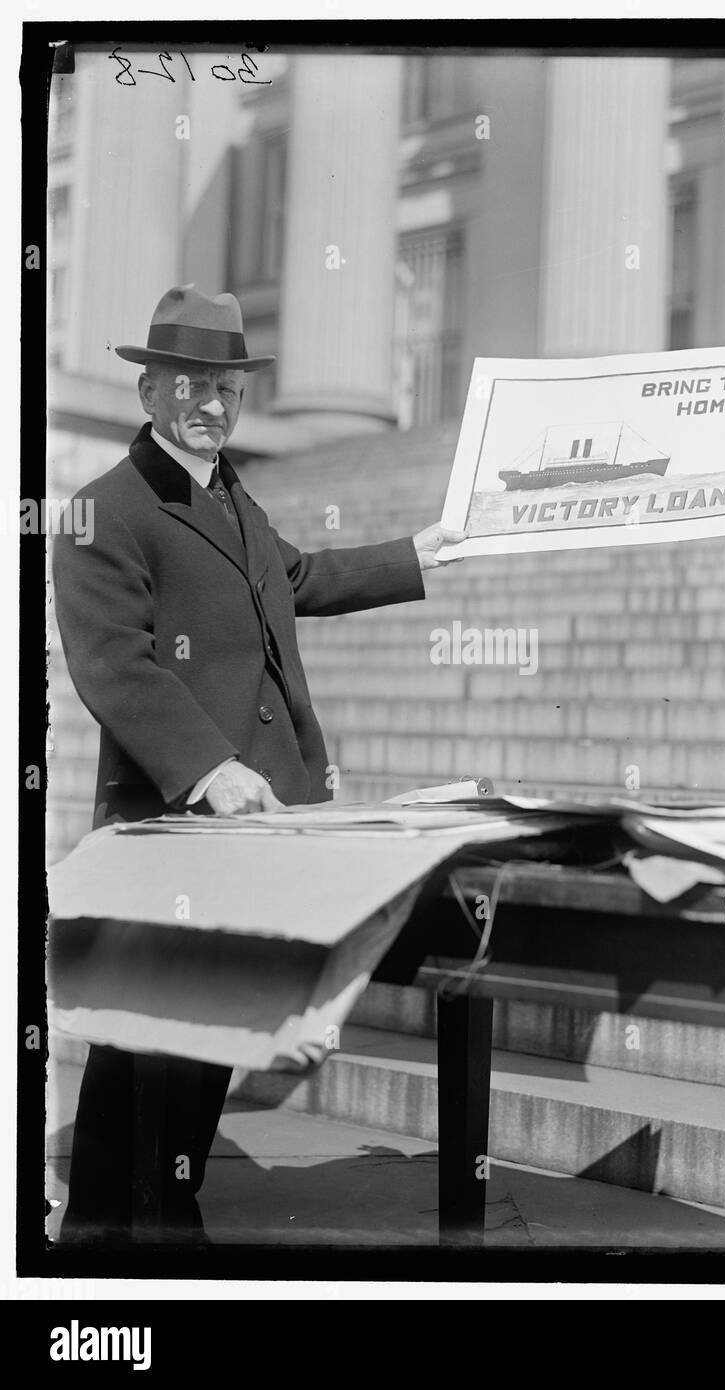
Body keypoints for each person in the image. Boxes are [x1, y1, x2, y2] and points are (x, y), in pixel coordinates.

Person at [52, 285, 463, 1245]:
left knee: (211, 1028)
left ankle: (169, 1211)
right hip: (173, 815)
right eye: (190, 384)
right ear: (148, 389)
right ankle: (114, 1228)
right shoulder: (101, 509)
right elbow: (113, 661)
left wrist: (418, 553)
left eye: (227, 387)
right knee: (147, 1031)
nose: (211, 404)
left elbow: (301, 578)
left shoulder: (234, 495)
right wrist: (206, 767)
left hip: (256, 815)